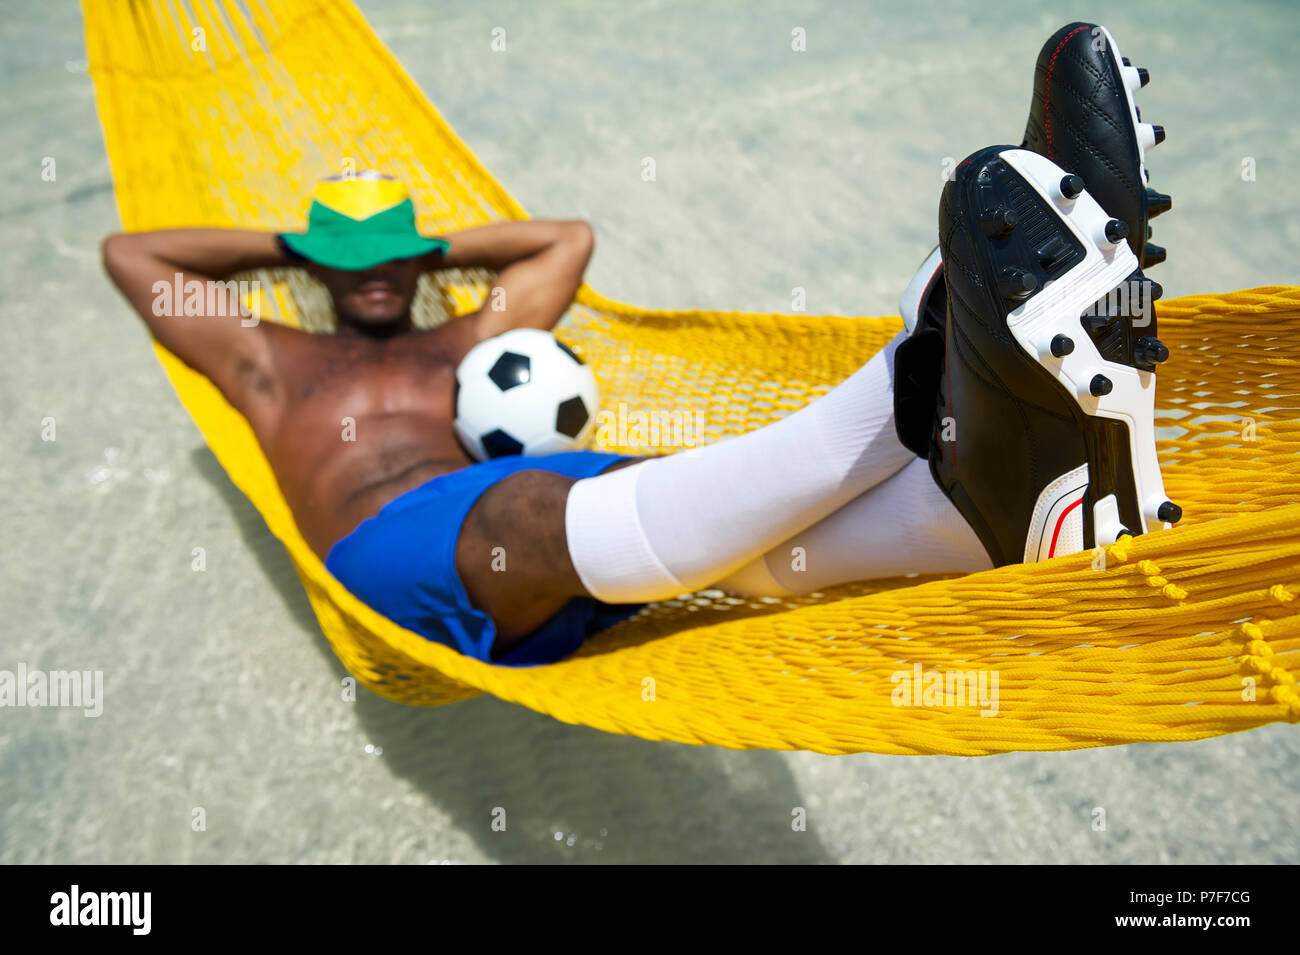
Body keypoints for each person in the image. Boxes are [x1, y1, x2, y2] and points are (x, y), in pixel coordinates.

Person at [103, 21, 1176, 667]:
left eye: (394, 251)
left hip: (567, 510)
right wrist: (299, 243)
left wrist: (423, 249)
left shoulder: (466, 339)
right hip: (402, 548)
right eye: (352, 255)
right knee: (545, 512)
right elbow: (133, 257)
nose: (376, 269)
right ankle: (929, 363)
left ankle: (990, 502)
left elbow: (563, 242)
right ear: (314, 263)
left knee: (737, 533)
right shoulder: (273, 358)